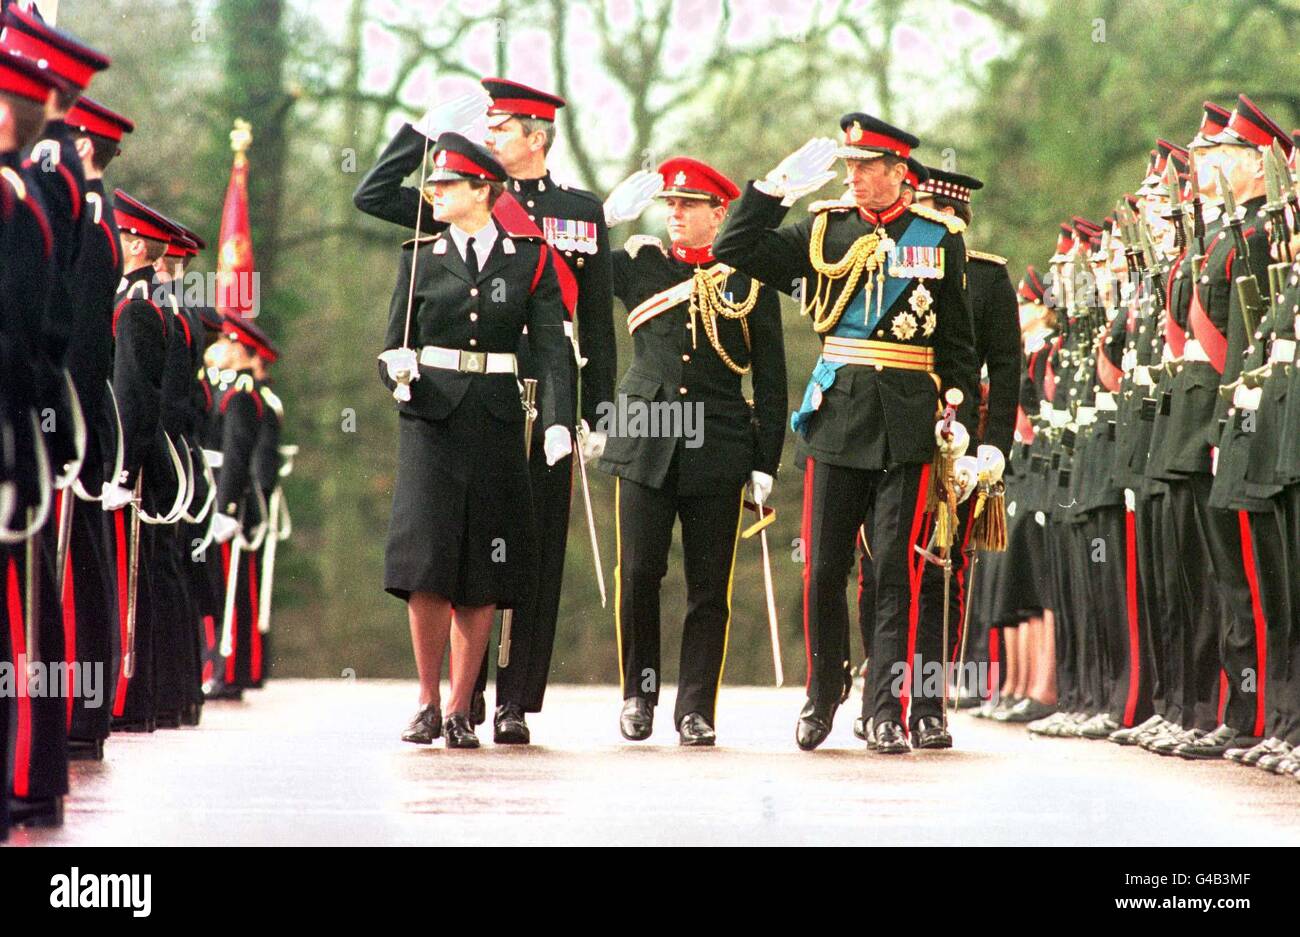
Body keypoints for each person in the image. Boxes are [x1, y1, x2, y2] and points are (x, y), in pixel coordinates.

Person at [714, 114, 980, 753]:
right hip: (838, 415)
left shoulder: (938, 237)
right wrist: (771, 191)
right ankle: (821, 692)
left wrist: (959, 413)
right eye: (849, 167)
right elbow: (735, 248)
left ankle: (886, 706)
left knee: (895, 569)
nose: (855, 178)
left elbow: (957, 340)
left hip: (908, 421)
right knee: (823, 567)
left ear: (899, 173)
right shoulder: (825, 229)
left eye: (867, 168)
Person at [370, 132, 572, 749]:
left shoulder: (528, 257)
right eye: (432, 183)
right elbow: (390, 340)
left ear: (484, 189)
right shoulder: (422, 256)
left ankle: (462, 707)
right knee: (428, 561)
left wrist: (561, 418)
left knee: (485, 563)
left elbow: (552, 347)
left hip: (494, 417)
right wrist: (396, 374)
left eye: (446, 184)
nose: (433, 193)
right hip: (432, 416)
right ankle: (428, 702)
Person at [596, 157, 786, 745]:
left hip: (719, 444)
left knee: (709, 587)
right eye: (670, 205)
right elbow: (570, 273)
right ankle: (639, 696)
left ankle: (696, 709)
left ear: (720, 213)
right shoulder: (640, 263)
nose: (675, 214)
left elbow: (772, 379)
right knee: (640, 576)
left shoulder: (747, 279)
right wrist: (602, 221)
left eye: (688, 206)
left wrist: (764, 461)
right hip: (646, 436)